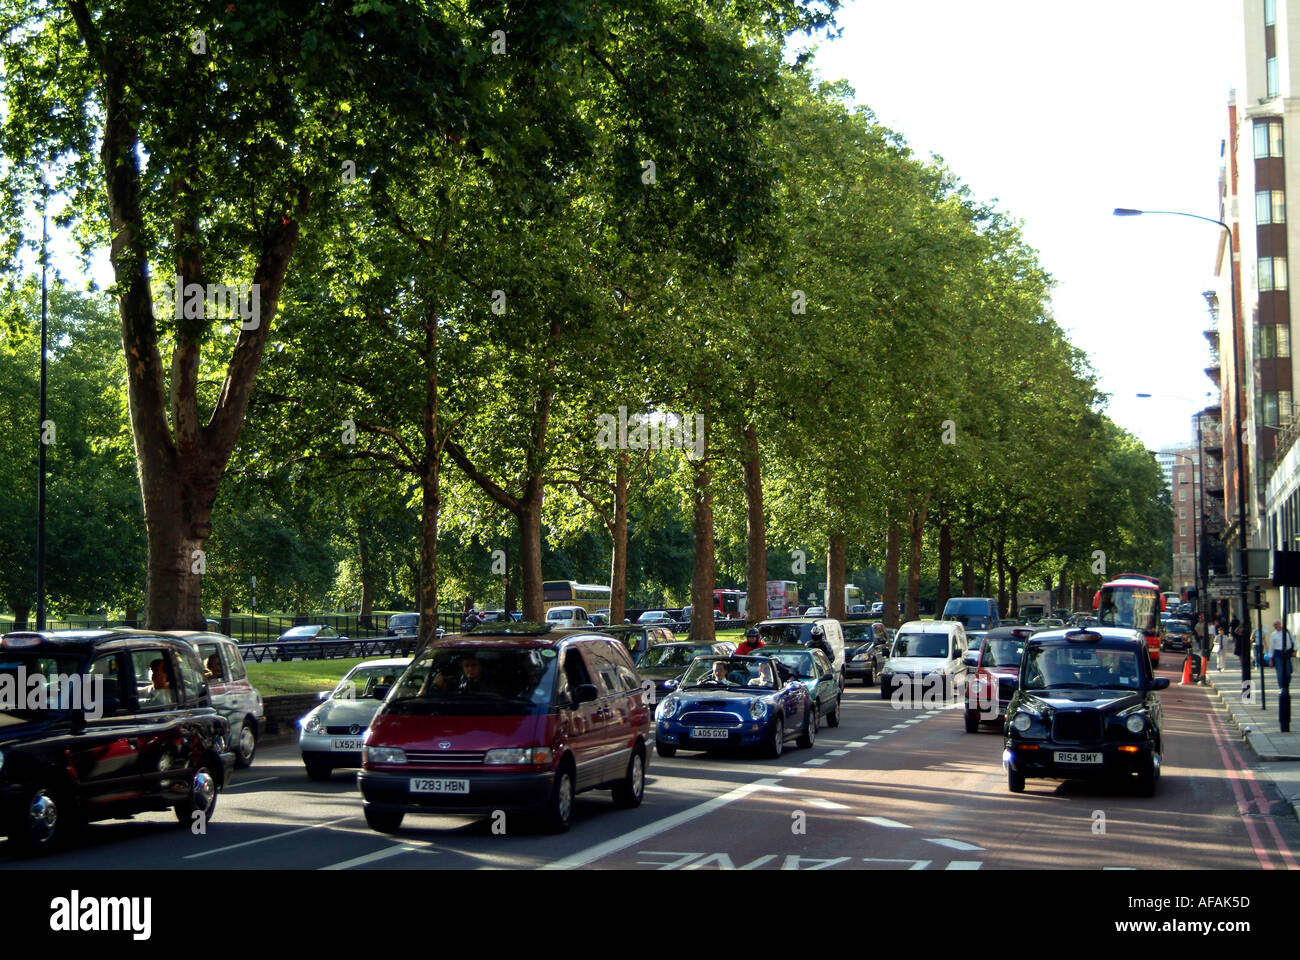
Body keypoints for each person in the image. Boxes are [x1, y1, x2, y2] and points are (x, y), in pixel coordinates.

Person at [1269, 620, 1295, 691]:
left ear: (1280, 624)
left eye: (1276, 624)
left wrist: (1295, 650)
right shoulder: (1273, 634)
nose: (1275, 626)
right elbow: (1271, 647)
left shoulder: (1287, 631)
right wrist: (1270, 658)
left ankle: (1286, 685)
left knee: (1288, 673)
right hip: (1278, 654)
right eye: (1274, 625)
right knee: (1280, 672)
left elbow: (1293, 641)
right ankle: (1282, 688)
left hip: (1287, 653)